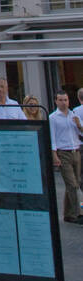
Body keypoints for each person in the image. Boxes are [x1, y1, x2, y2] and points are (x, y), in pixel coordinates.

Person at [49, 91, 83, 224]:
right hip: (63, 153)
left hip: (76, 151)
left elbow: (81, 132)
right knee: (72, 185)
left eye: (66, 100)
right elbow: (52, 137)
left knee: (74, 184)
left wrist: (78, 125)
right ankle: (78, 213)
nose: (64, 103)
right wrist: (54, 155)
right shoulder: (53, 117)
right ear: (56, 101)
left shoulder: (73, 115)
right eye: (61, 100)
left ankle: (68, 214)